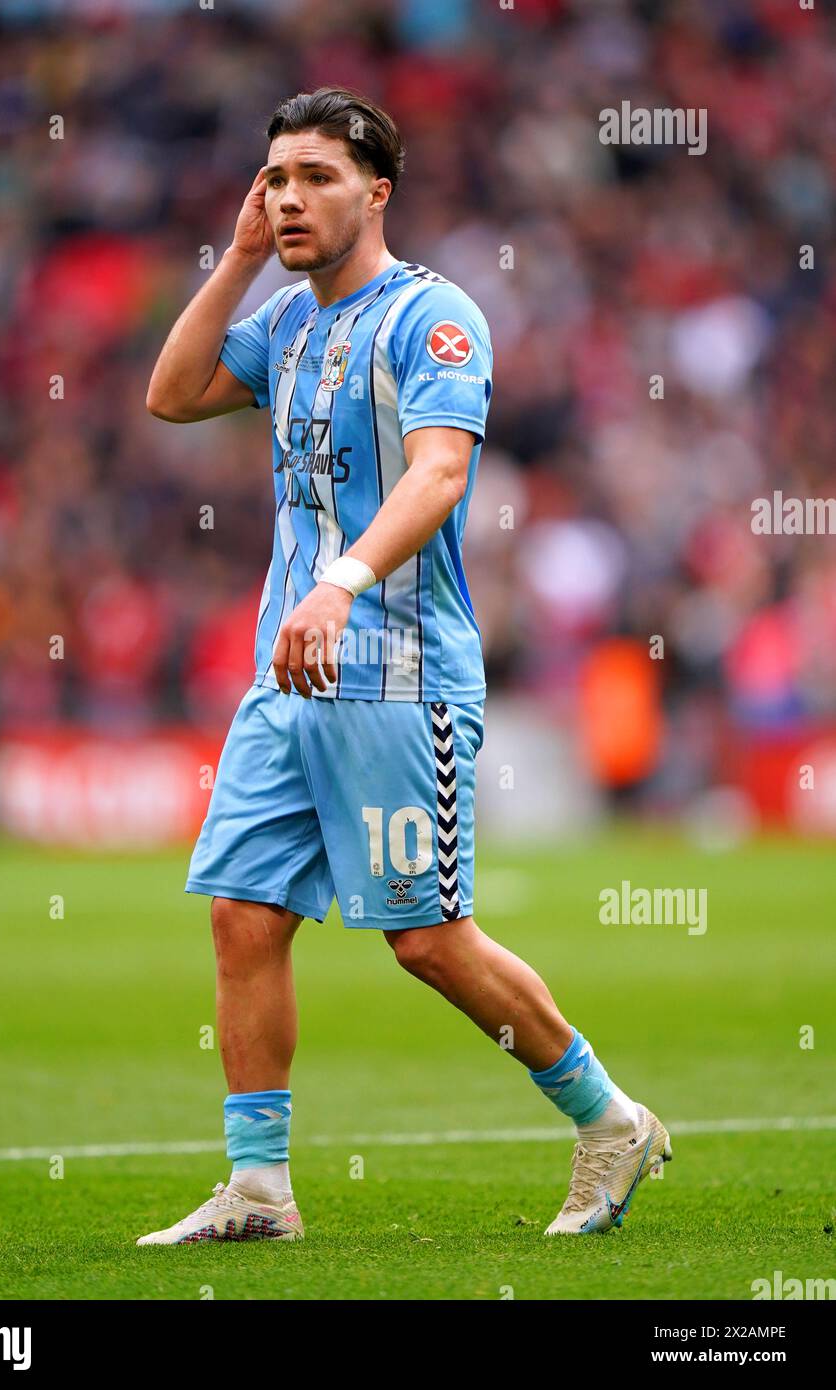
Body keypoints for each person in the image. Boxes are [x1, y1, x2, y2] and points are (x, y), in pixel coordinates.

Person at [138, 87, 670, 1245]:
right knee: (240, 913)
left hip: (398, 672)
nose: (287, 198)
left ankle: (609, 1118)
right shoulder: (281, 324)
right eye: (273, 177)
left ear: (375, 191)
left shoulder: (433, 320)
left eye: (316, 177)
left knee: (425, 939)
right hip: (289, 677)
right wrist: (233, 262)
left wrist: (338, 580)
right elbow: (169, 394)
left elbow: (434, 477)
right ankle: (258, 1189)